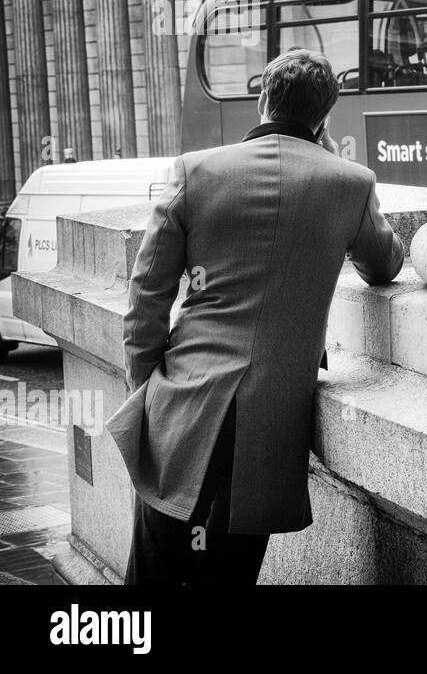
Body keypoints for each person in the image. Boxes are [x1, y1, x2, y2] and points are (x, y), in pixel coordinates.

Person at [106, 49, 405, 585]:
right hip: (267, 427)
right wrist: (330, 160)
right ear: (324, 119)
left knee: (149, 576)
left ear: (263, 98)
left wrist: (146, 387)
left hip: (182, 405)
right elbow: (384, 264)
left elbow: (146, 297)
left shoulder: (196, 172)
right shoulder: (350, 183)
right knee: (228, 577)